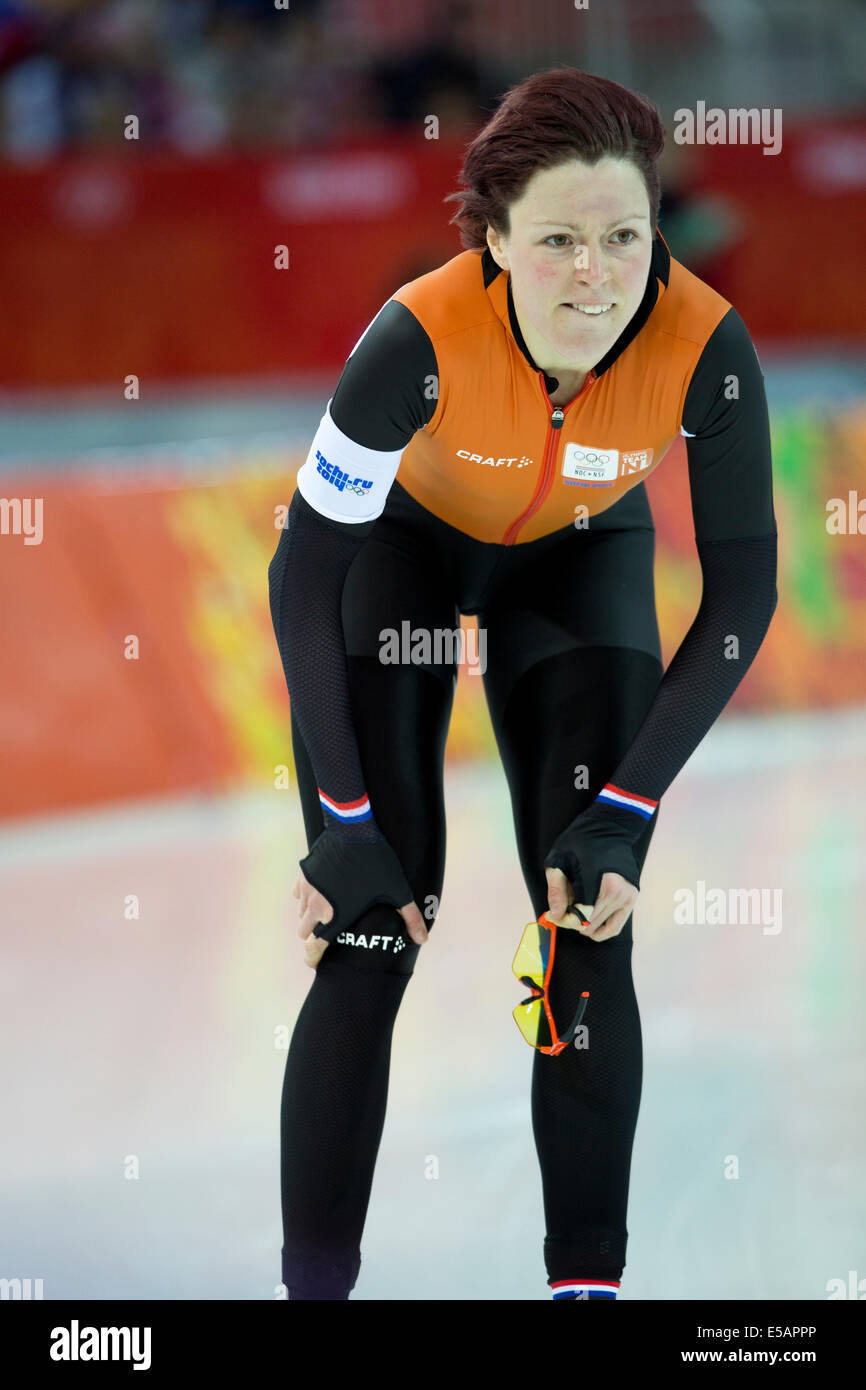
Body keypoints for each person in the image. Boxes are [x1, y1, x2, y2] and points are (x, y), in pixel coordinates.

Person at [268, 66, 778, 1301]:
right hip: (403, 555)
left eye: (621, 237)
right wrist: (338, 824)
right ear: (494, 241)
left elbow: (741, 595)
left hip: (578, 568)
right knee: (367, 931)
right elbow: (300, 576)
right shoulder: (414, 336)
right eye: (555, 240)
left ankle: (584, 1291)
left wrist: (629, 810)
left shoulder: (704, 347)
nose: (594, 273)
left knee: (586, 924)